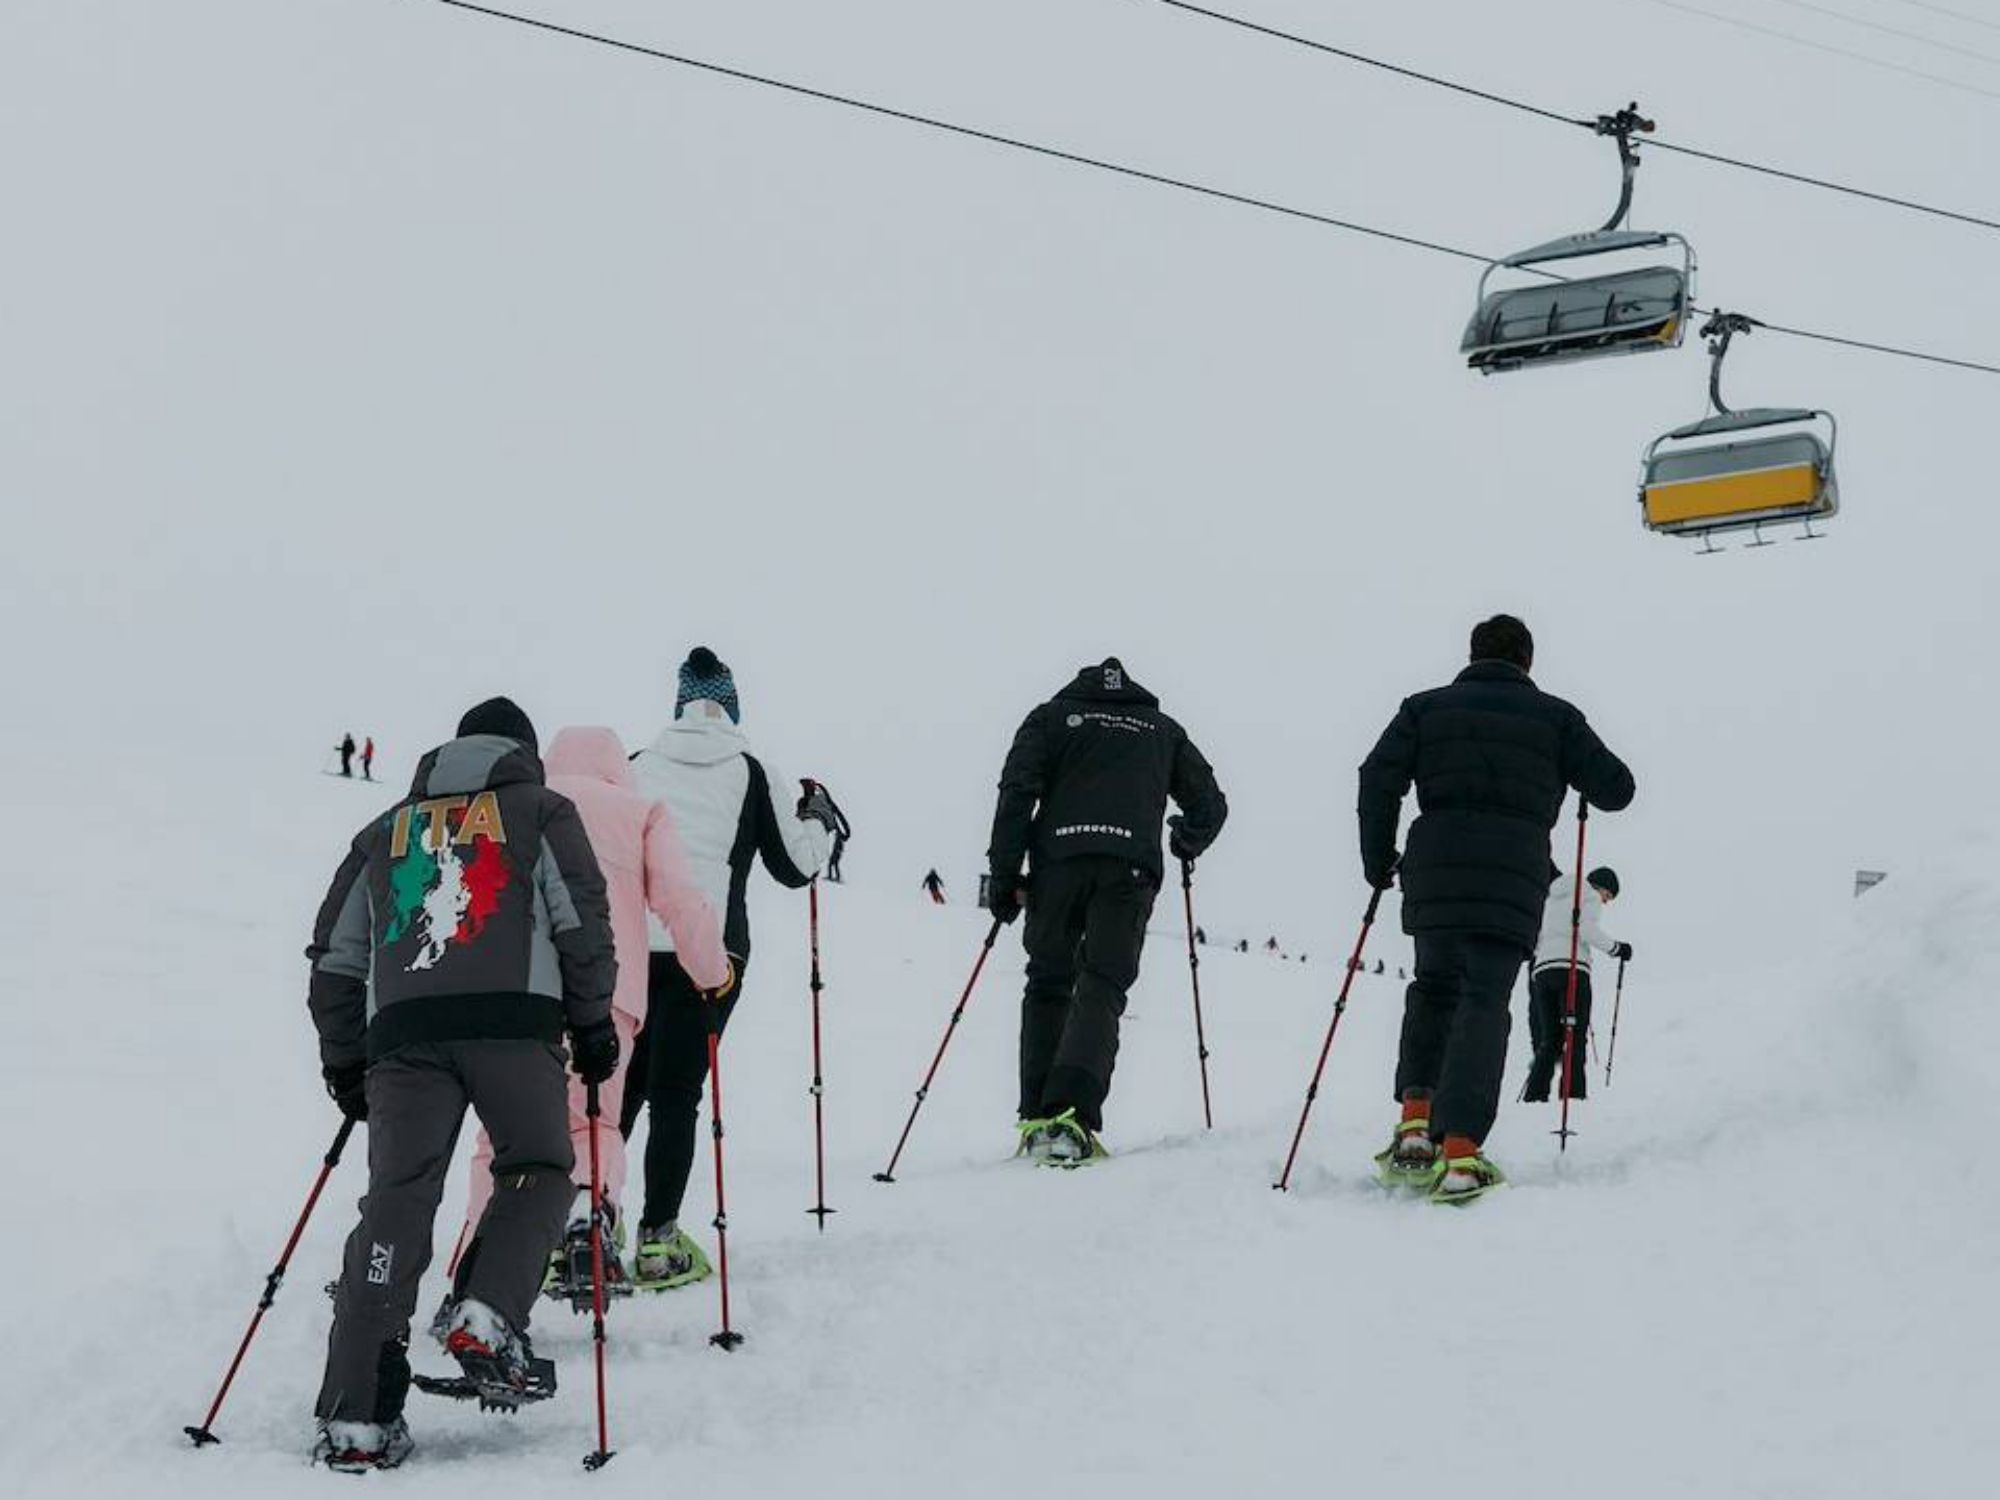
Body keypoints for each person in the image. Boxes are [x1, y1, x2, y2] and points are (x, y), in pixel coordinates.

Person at [304, 698, 617, 1471]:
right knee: (539, 1167)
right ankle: (488, 1308)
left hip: (404, 1042)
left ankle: (358, 1417)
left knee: (397, 1202)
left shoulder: (383, 832)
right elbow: (580, 919)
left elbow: (336, 959)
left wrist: (346, 1061)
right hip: (516, 1025)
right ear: (524, 753)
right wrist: (593, 1022)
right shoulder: (543, 811)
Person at [449, 727, 729, 1304]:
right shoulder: (640, 810)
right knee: (594, 1123)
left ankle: (475, 1275)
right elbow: (681, 901)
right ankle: (587, 1208)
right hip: (608, 997)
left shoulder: (515, 807)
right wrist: (712, 973)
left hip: (513, 1000)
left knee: (497, 1139)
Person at [1359, 615, 1634, 1203]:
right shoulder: (1557, 717)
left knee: (1431, 988)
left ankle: (1414, 1127)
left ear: (1471, 654)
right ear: (1528, 662)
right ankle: (1459, 1154)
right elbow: (1618, 788)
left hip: (1433, 871)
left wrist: (1378, 858)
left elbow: (1377, 777)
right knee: (1484, 1002)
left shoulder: (1424, 708)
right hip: (1511, 878)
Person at [621, 648, 833, 1288]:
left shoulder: (636, 766)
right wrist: (819, 821)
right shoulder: (751, 770)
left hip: (632, 949)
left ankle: (577, 1228)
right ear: (732, 706)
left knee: (615, 1092)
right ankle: (658, 1241)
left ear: (679, 704)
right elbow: (795, 869)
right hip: (710, 953)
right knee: (676, 1095)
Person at [987, 657, 1227, 1165]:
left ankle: (1037, 1116)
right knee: (1102, 983)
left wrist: (1006, 878)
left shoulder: (1050, 718)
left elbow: (1016, 793)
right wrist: (1187, 839)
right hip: (1128, 870)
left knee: (1047, 979)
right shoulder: (1161, 729)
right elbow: (1209, 803)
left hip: (1058, 865)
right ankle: (1071, 1117)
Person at [1522, 866, 1630, 1103]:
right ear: (1600, 887)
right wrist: (1617, 948)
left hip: (1543, 970)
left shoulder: (1552, 898)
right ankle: (1573, 1097)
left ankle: (1535, 1095)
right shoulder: (1587, 894)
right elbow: (1587, 930)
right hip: (1572, 968)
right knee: (1575, 1036)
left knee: (1550, 1038)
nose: (1605, 903)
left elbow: (1538, 937)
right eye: (1608, 897)